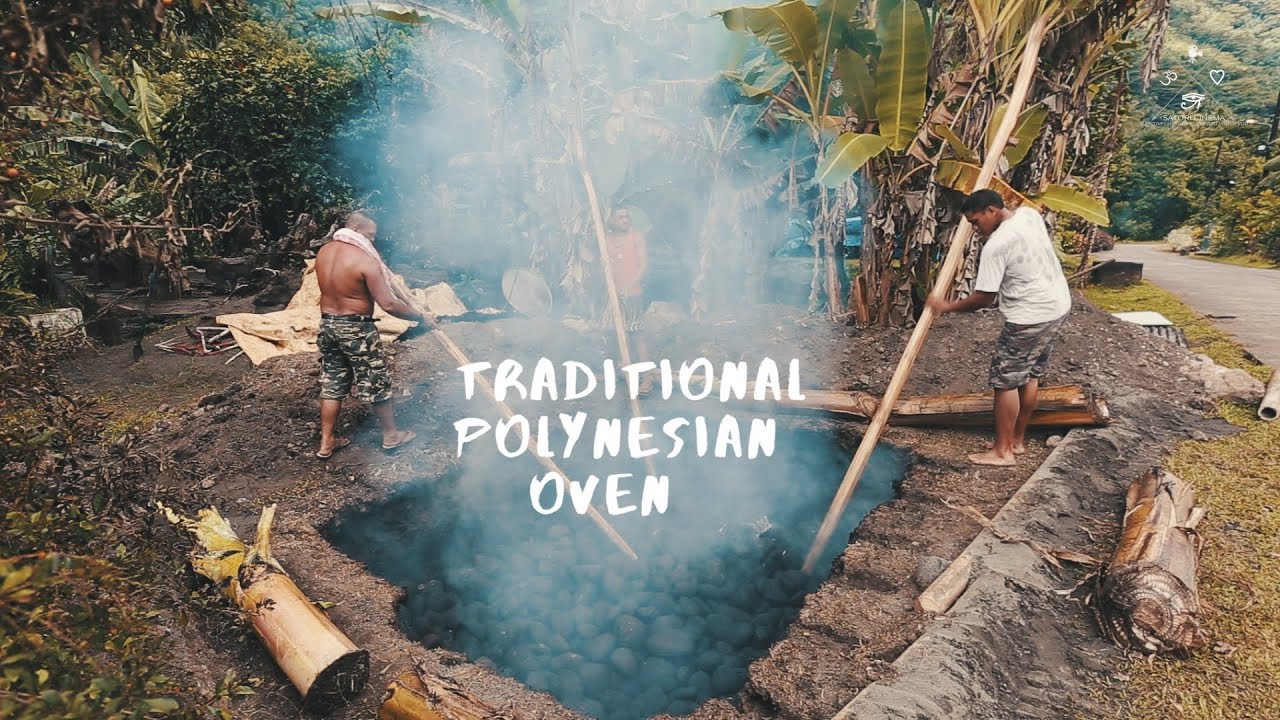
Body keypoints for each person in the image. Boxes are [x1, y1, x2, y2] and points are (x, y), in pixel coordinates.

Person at [926, 189, 1072, 467]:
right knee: (1029, 375)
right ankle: (1016, 441)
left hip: (1029, 316)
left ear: (992, 211)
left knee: (1005, 382)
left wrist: (946, 306)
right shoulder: (1029, 216)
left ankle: (1001, 452)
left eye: (976, 222)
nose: (975, 229)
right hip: (1057, 306)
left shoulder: (997, 245)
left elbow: (985, 297)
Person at [313, 211, 422, 458]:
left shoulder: (324, 252)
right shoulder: (364, 261)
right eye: (370, 234)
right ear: (355, 227)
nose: (372, 240)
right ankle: (392, 435)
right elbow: (390, 304)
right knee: (376, 380)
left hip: (328, 325)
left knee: (332, 381)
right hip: (356, 328)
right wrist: (421, 316)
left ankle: (327, 441)